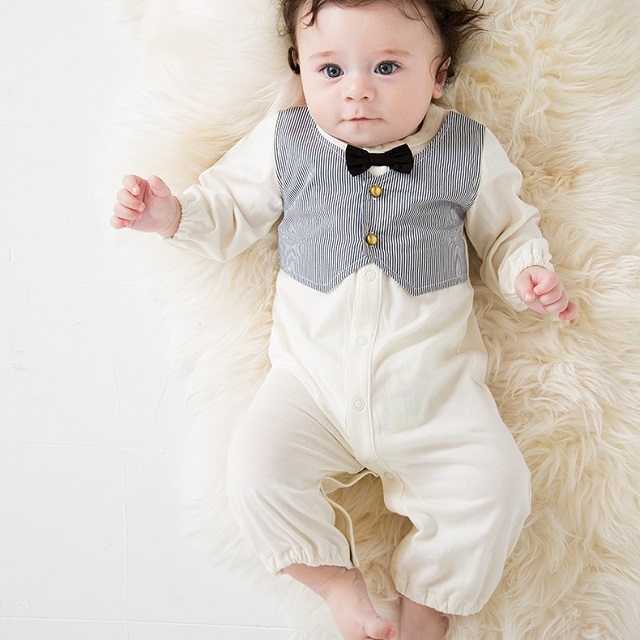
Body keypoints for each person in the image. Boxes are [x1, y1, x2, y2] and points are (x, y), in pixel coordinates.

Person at [112, 0, 578, 637]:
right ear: (300, 70)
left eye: (386, 67)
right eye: (330, 71)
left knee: (498, 487)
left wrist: (527, 271)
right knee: (254, 471)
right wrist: (172, 214)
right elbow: (228, 208)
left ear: (438, 75)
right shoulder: (287, 140)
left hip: (436, 394)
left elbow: (508, 227)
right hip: (312, 388)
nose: (357, 90)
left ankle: (428, 601)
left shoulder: (468, 148)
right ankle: (333, 581)